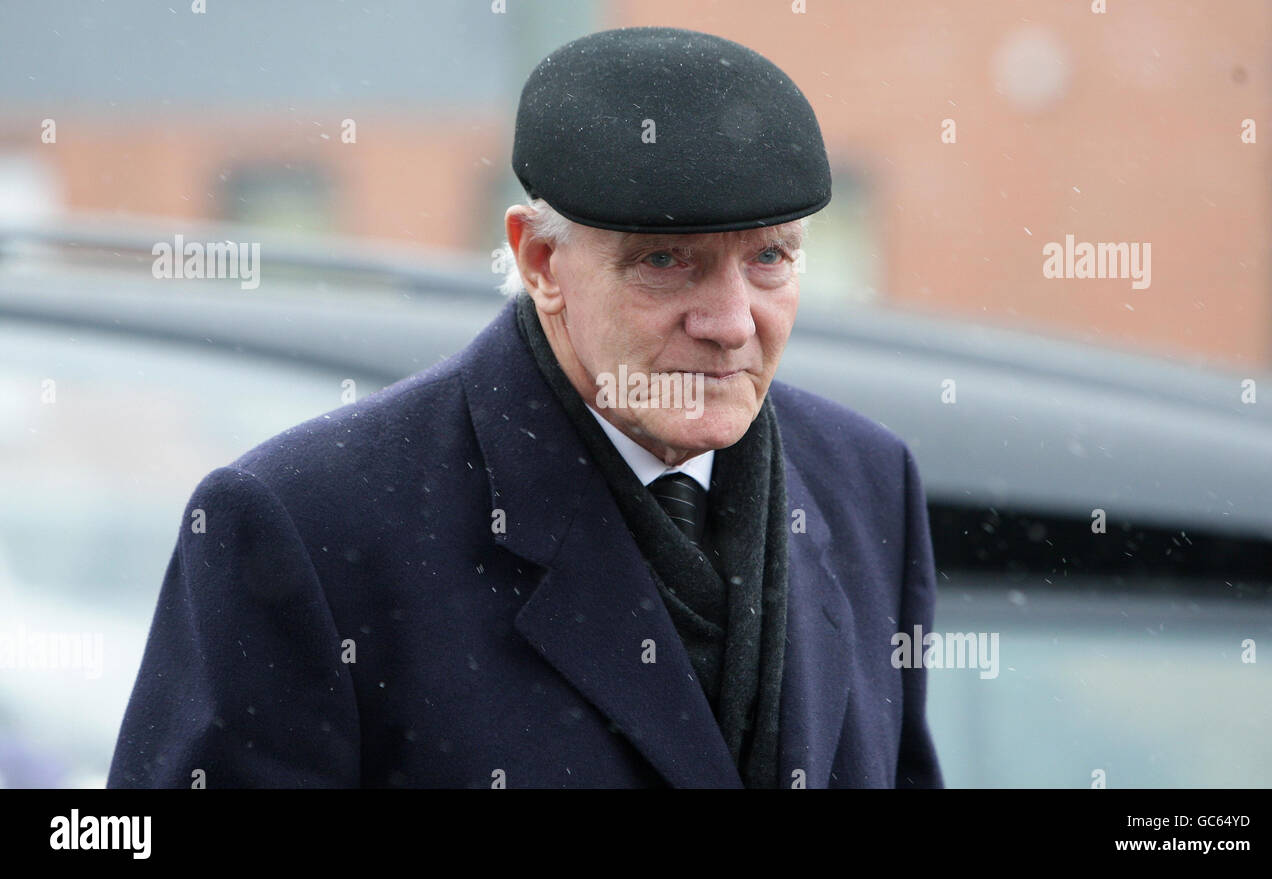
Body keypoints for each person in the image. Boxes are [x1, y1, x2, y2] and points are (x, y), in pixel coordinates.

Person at [108, 25, 943, 789]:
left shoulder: (869, 486)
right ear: (540, 260)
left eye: (770, 257)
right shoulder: (307, 526)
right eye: (665, 261)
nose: (729, 324)